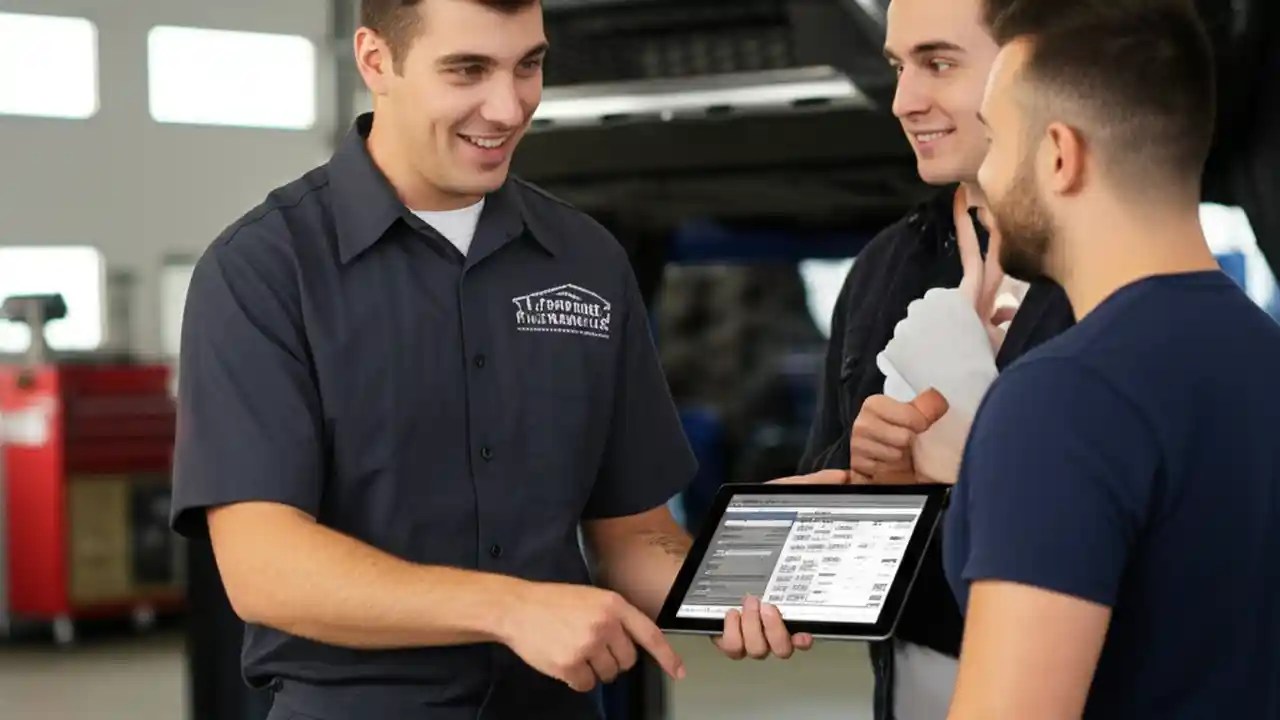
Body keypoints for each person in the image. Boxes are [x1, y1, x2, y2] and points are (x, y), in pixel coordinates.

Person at [168, 1, 830, 717]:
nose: (509, 106)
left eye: (529, 65)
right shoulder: (265, 270)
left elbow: (636, 535)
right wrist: (510, 608)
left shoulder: (587, 261)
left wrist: (756, 577)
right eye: (467, 71)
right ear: (374, 61)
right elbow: (266, 569)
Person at [944, 0, 1280, 717]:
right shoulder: (1263, 356)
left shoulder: (1062, 399)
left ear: (1060, 156)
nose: (983, 176)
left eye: (995, 138)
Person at [793, 0, 1076, 717]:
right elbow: (822, 536)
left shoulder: (1102, 274)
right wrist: (866, 480)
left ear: (1026, 68)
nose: (903, 101)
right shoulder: (883, 268)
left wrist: (971, 452)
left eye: (938, 63)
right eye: (897, 66)